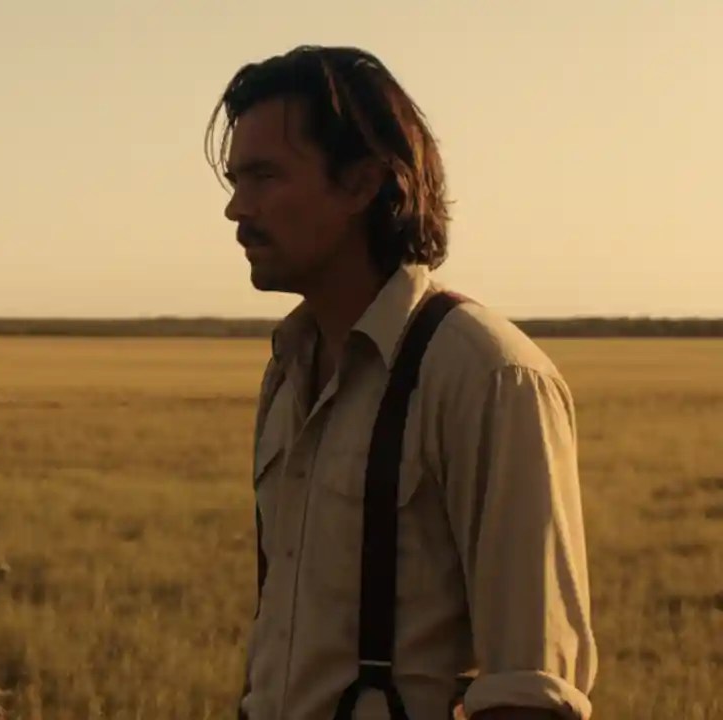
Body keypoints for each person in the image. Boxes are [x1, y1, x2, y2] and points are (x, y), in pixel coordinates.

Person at [204, 45, 597, 720]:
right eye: (234, 180)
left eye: (264, 177)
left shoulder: (488, 375)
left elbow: (530, 689)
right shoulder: (288, 368)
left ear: (362, 184)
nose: (237, 210)